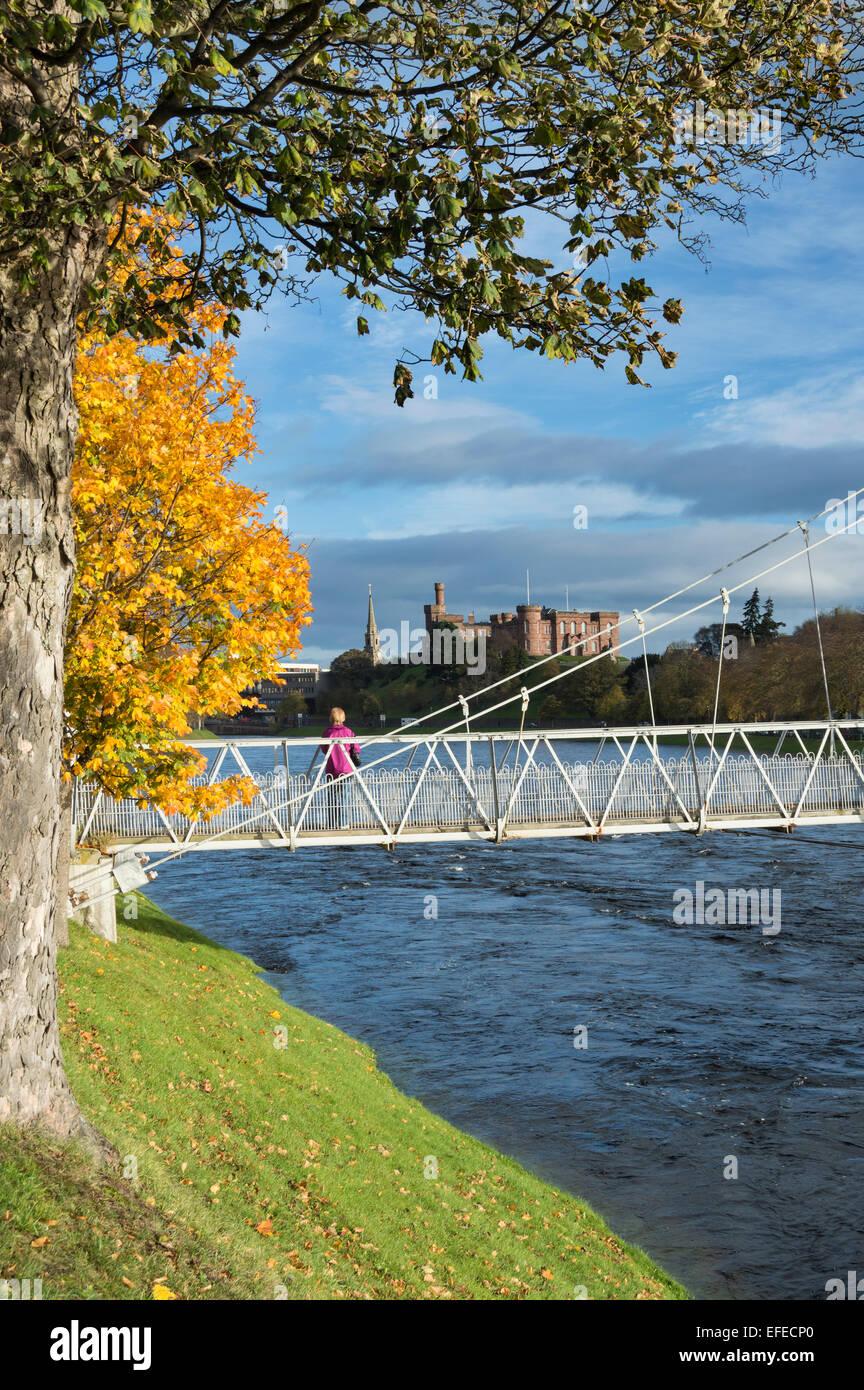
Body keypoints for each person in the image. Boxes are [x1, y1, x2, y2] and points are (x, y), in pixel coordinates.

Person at [320, 707, 359, 829]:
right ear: (343, 718)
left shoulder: (326, 733)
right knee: (344, 797)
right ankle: (343, 824)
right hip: (346, 770)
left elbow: (324, 750)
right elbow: (357, 749)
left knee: (332, 797)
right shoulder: (349, 732)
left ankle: (331, 823)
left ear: (331, 718)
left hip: (332, 769)